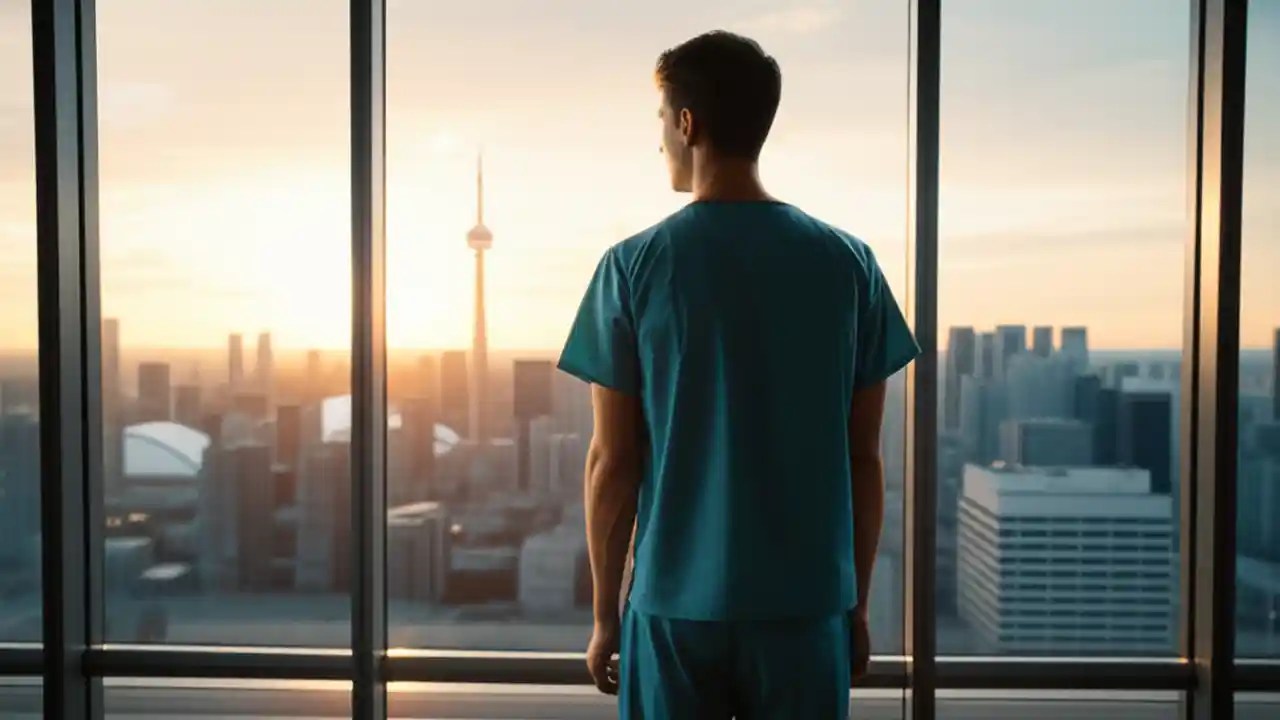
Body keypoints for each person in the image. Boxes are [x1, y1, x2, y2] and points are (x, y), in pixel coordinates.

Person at [557, 30, 919, 719]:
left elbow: (614, 461)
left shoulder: (631, 267)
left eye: (661, 120)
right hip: (806, 607)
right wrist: (856, 606)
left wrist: (606, 615)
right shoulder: (851, 266)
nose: (659, 141)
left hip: (673, 606)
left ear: (687, 123)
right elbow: (863, 459)